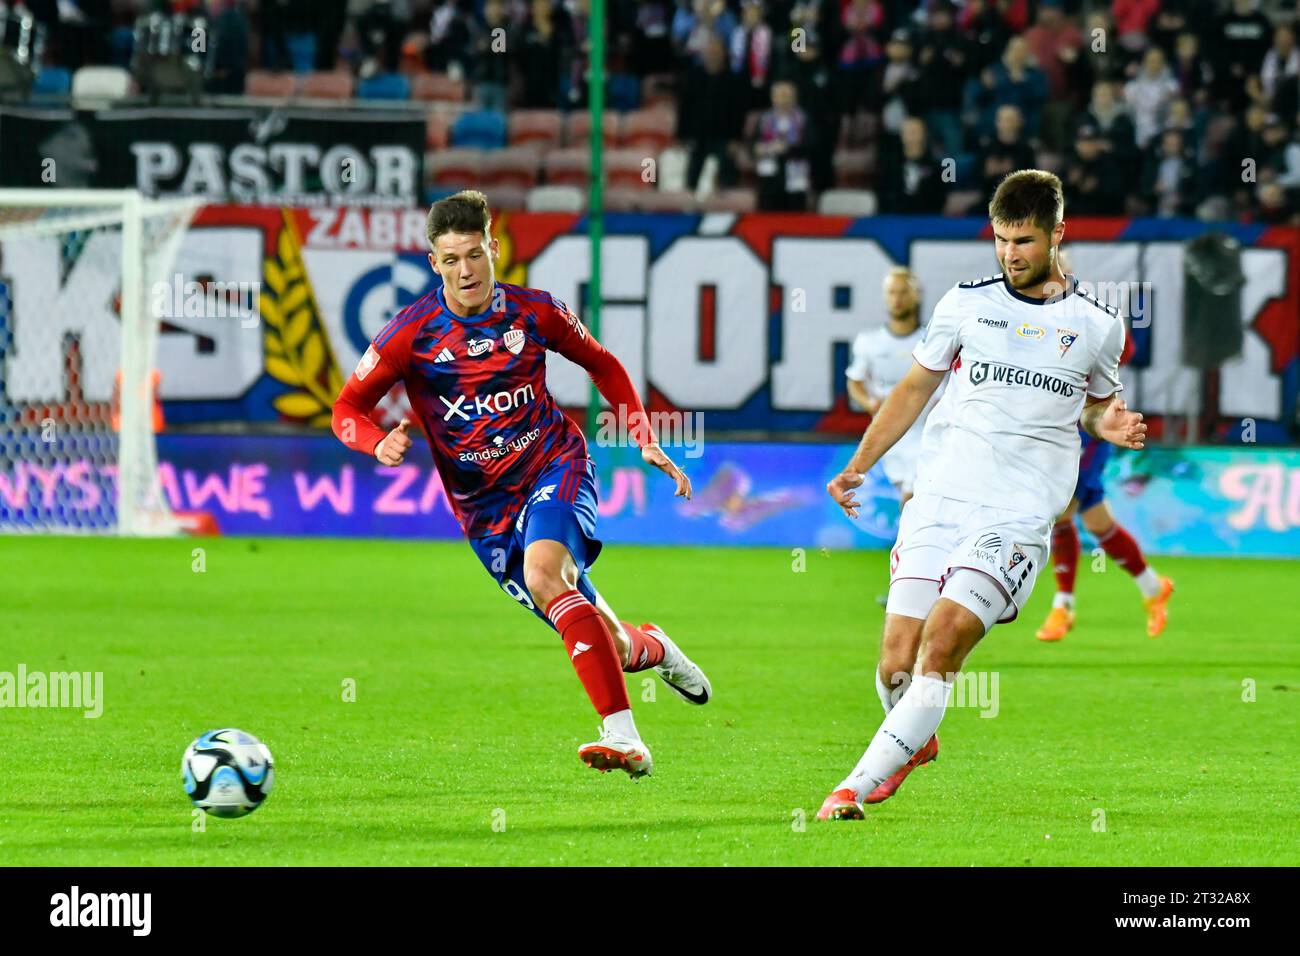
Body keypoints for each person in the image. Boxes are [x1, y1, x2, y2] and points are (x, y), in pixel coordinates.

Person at [331, 191, 712, 780]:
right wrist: (373, 442)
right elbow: (347, 408)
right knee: (608, 646)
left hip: (552, 464)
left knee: (543, 574)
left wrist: (640, 432)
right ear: (434, 263)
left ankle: (626, 738)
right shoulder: (408, 336)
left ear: (494, 249)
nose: (466, 271)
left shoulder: (534, 313)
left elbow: (603, 365)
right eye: (451, 259)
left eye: (475, 255)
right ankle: (652, 647)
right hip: (483, 512)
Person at [818, 170, 1145, 820]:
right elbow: (912, 389)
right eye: (1000, 240)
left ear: (1057, 234)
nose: (1009, 254)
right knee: (893, 667)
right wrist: (860, 464)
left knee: (940, 645)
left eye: (1022, 241)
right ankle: (915, 738)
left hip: (1017, 515)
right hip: (939, 500)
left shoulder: (1097, 326)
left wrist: (1109, 422)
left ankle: (849, 789)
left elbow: (1097, 408)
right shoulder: (965, 304)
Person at [1036, 429, 1175, 641]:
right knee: (1097, 522)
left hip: (1087, 431)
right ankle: (1153, 587)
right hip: (1065, 430)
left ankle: (1063, 605)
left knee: (1063, 512)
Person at [845, 267, 942, 507]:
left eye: (903, 292)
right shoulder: (869, 342)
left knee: (915, 494)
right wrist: (869, 403)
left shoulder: (931, 340)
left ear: (916, 295)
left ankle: (909, 544)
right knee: (910, 497)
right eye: (891, 292)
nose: (897, 299)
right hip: (890, 432)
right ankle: (910, 543)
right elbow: (854, 381)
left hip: (928, 430)